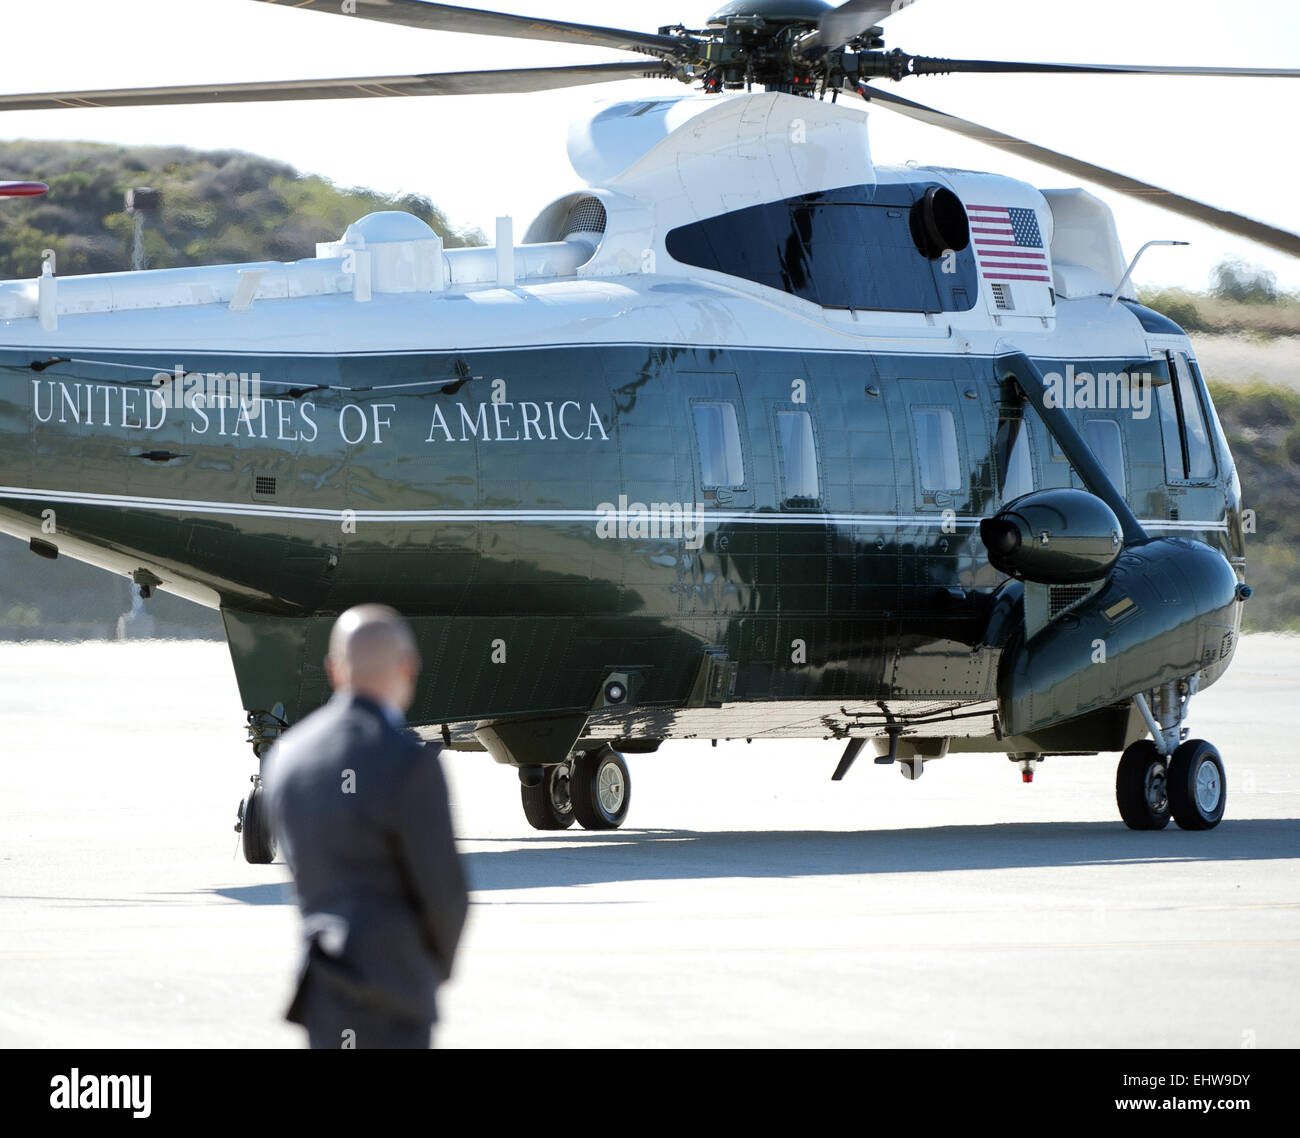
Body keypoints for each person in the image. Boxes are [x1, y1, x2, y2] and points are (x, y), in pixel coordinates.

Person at [263, 604, 468, 1049]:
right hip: (397, 993)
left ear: (334, 670)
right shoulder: (410, 763)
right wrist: (429, 969)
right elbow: (445, 893)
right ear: (408, 668)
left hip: (322, 994)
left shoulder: (287, 758)